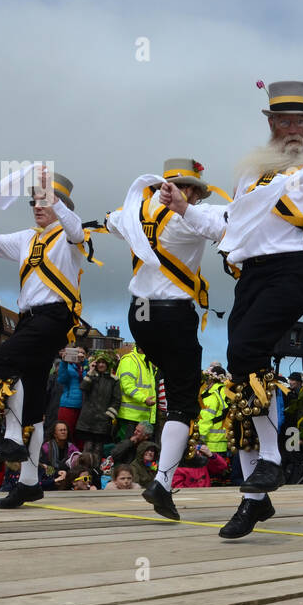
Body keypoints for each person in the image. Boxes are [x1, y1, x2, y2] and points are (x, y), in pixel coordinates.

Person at [216, 81, 303, 540]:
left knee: (245, 349)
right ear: (271, 123)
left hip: (295, 270)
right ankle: (255, 500)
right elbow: (228, 222)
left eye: (301, 121)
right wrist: (182, 210)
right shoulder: (250, 174)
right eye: (284, 120)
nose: (293, 129)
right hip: (252, 275)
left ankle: (273, 459)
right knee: (241, 378)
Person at [106, 158, 228, 520]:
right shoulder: (188, 218)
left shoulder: (133, 213)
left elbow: (110, 221)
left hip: (138, 315)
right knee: (183, 401)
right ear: (187, 190)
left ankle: (163, 477)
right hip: (172, 313)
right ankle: (162, 481)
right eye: (195, 192)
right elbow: (223, 225)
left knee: (175, 386)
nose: (197, 199)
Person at [0, 165, 92, 510]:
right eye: (34, 201)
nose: (37, 206)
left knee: (0, 361)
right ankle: (29, 482)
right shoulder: (25, 238)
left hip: (55, 317)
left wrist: (56, 198)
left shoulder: (70, 237)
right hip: (28, 320)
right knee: (34, 403)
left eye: (45, 201)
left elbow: (78, 232)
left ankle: (10, 437)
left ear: (61, 205)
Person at [76, 353, 121, 458]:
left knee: (98, 450)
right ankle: (83, 471)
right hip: (88, 419)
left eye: (103, 363)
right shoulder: (91, 376)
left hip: (102, 421)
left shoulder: (114, 380)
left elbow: (117, 400)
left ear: (108, 365)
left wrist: (108, 416)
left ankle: (95, 472)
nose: (101, 365)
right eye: (99, 362)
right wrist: (90, 372)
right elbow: (83, 387)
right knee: (87, 448)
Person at [115, 345, 157, 441]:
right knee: (125, 448)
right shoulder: (129, 360)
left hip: (142, 417)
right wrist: (144, 399)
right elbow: (127, 385)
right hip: (129, 417)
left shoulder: (147, 363)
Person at [42, 420, 80, 491]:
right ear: (55, 434)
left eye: (65, 430)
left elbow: (77, 464)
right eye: (61, 430)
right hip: (50, 476)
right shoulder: (46, 447)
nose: (63, 432)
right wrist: (57, 474)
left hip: (67, 476)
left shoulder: (72, 448)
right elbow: (43, 466)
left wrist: (66, 474)